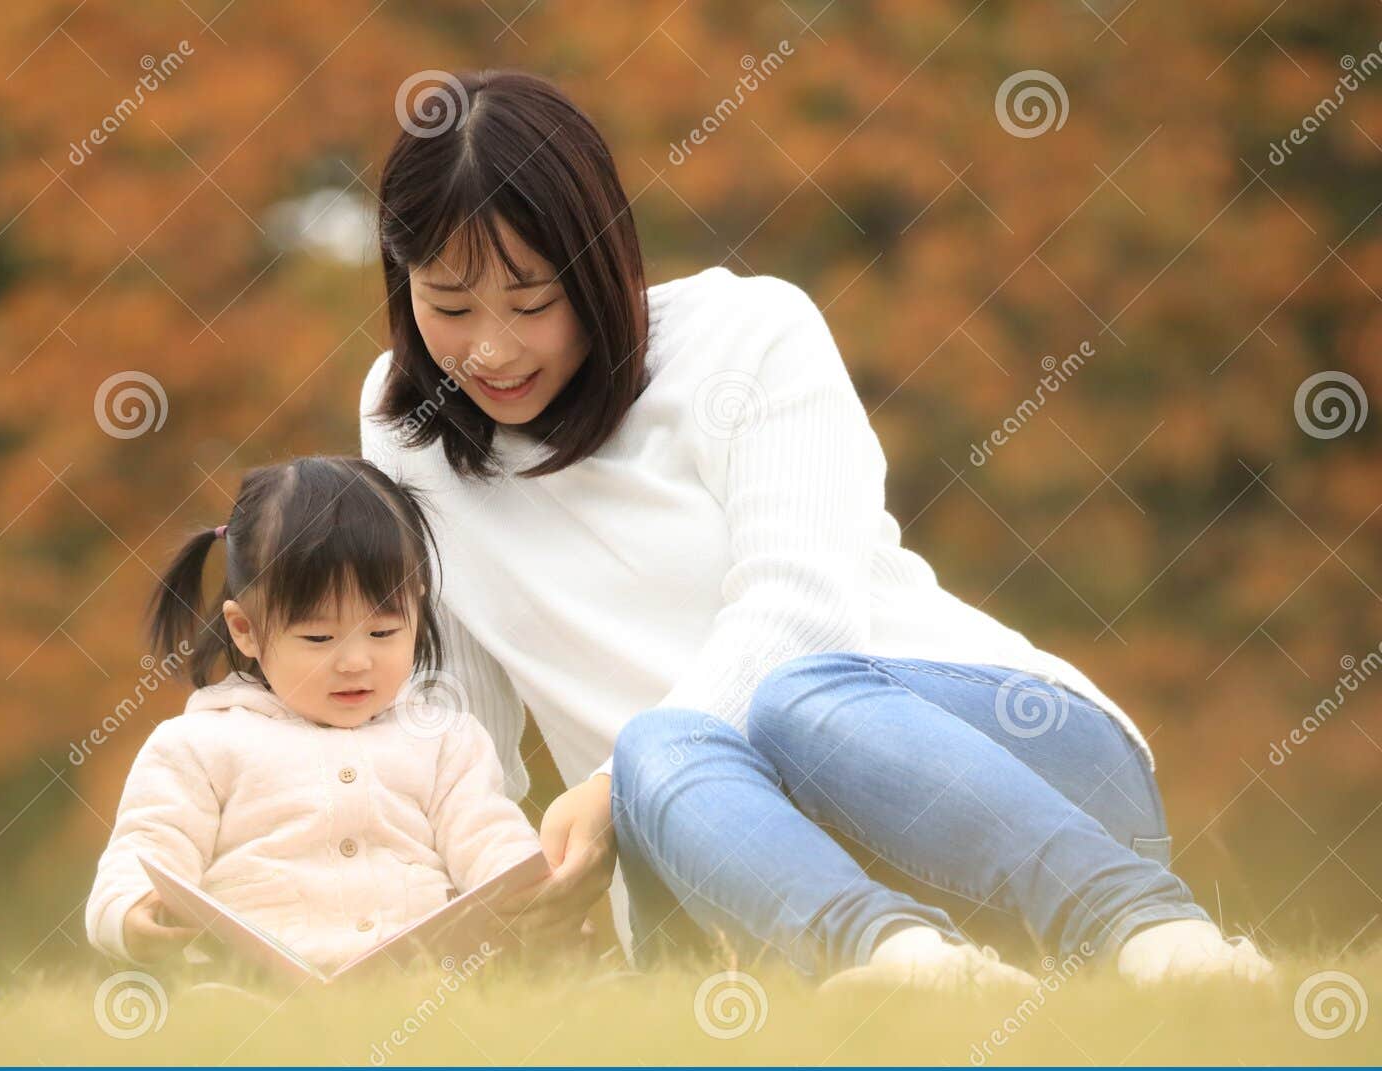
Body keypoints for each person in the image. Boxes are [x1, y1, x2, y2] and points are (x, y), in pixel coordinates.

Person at [357, 69, 1273, 990]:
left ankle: (1152, 927)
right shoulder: (406, 427)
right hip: (734, 859)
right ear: (404, 287)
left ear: (601, 266)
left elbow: (804, 614)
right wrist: (445, 887)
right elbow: (449, 717)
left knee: (771, 705)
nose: (492, 348)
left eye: (530, 303)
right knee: (658, 751)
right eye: (448, 305)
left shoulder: (748, 332)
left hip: (1012, 773)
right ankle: (910, 971)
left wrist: (606, 792)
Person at [84, 455, 542, 974]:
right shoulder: (198, 745)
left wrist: (535, 896)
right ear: (246, 630)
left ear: (416, 608)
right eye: (319, 638)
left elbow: (489, 839)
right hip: (254, 990)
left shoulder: (444, 739)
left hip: (420, 987)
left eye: (384, 632)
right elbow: (148, 846)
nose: (354, 661)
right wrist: (131, 911)